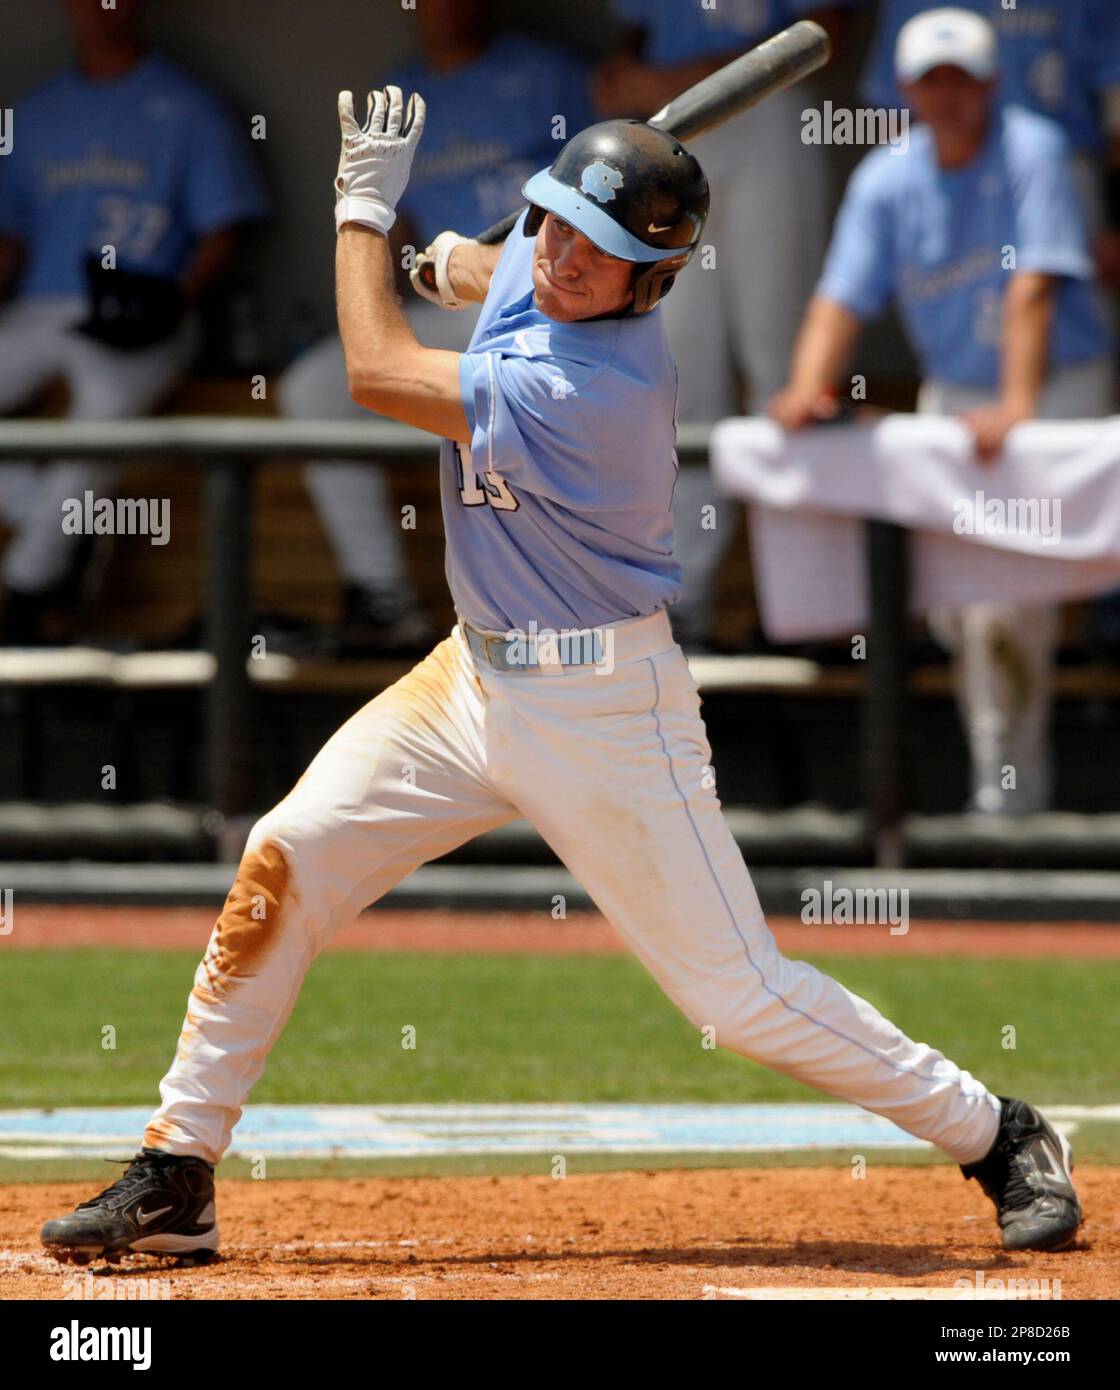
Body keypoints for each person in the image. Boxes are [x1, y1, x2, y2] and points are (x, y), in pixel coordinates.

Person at [41, 87, 1079, 1263]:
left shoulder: (598, 390)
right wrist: (445, 265)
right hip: (467, 681)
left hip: (602, 710)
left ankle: (998, 1132)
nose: (568, 258)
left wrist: (362, 212)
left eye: (607, 251)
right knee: (286, 856)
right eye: (555, 227)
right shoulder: (552, 268)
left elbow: (379, 372)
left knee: (735, 996)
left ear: (653, 284)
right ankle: (180, 1168)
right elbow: (502, 280)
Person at [770, 8, 1114, 815]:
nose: (949, 98)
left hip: (1058, 389)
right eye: (934, 83)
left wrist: (1017, 409)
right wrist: (804, 388)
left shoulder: (1035, 147)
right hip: (961, 401)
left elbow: (1034, 284)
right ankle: (996, 795)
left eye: (963, 82)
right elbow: (837, 301)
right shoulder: (886, 176)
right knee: (964, 610)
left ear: (992, 85)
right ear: (906, 90)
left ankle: (1009, 807)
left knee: (1005, 604)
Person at [280, 0, 594, 655]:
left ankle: (549, 611)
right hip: (451, 298)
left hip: (546, 305)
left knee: (509, 385)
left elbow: (603, 203)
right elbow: (407, 239)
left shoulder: (552, 75)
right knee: (312, 389)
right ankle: (383, 598)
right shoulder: (403, 93)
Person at [590, 0, 858, 650]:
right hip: (677, 133)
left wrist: (694, 77)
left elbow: (828, 31)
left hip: (768, 112)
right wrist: (625, 73)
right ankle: (684, 607)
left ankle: (806, 609)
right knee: (679, 378)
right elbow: (641, 27)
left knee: (785, 373)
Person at [0, 0, 268, 644]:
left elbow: (227, 226)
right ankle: (74, 531)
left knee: (102, 410)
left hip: (140, 307)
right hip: (41, 304)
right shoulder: (34, 112)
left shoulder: (186, 105)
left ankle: (28, 590)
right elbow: (10, 240)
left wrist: (178, 297)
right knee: (82, 446)